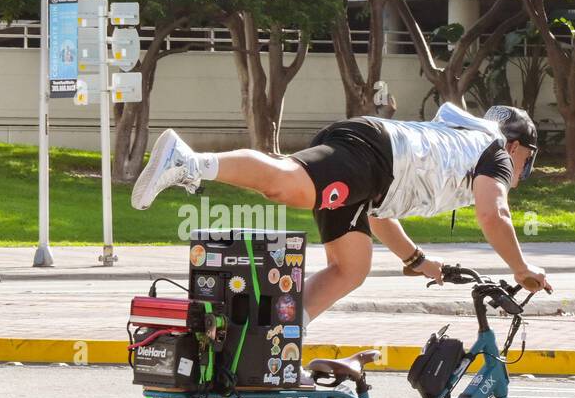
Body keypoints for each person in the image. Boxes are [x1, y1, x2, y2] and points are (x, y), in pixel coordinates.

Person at [131, 101, 551, 321]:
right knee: (289, 185)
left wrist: (418, 260)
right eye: (527, 159)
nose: (523, 169)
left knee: (350, 267)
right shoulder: (494, 151)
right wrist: (521, 267)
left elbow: (380, 212)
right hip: (373, 153)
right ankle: (189, 162)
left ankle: (286, 334)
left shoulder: (462, 143)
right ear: (516, 147)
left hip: (375, 173)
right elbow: (493, 215)